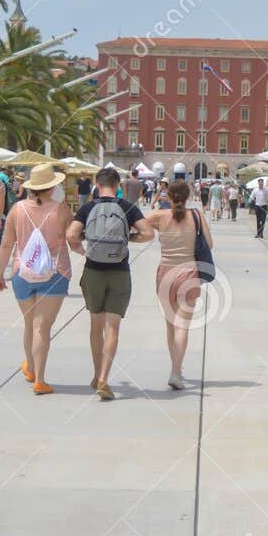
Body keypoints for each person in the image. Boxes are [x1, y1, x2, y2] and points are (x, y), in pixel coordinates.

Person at [69, 166, 151, 400]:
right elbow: (148, 234)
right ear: (117, 187)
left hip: (93, 271)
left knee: (96, 326)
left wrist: (84, 250)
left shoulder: (87, 208)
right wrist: (129, 238)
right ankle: (104, 378)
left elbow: (71, 235)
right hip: (119, 272)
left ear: (97, 184)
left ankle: (97, 375)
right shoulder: (127, 208)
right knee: (112, 327)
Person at [0, 163, 74, 396]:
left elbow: (7, 244)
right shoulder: (62, 210)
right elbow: (74, 241)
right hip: (55, 273)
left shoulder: (16, 210)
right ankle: (40, 380)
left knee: (30, 323)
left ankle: (29, 367)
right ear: (51, 187)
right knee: (43, 326)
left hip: (22, 273)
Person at [142, 180, 211, 391]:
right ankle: (175, 371)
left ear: (168, 195)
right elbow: (210, 244)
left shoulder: (160, 217)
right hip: (189, 273)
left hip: (165, 274)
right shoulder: (197, 216)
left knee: (170, 325)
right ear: (189, 196)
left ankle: (177, 370)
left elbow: (137, 225)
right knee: (183, 327)